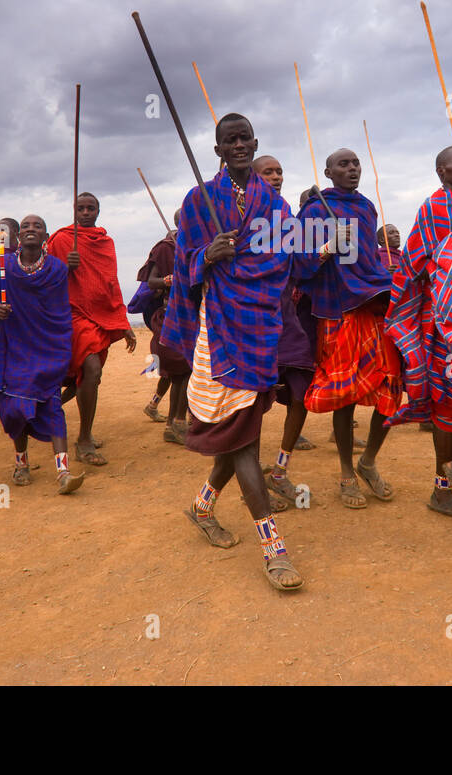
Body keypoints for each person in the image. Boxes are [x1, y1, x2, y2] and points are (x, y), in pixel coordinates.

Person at [162, 113, 302, 591]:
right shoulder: (199, 200)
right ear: (218, 149)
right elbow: (185, 261)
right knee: (244, 437)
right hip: (218, 327)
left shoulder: (276, 206)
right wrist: (208, 255)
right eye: (229, 140)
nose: (239, 145)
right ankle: (274, 549)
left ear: (255, 143)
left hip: (259, 327)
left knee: (242, 426)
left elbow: (282, 259)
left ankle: (202, 507)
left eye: (245, 139)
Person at [386, 147, 452, 517]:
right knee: (446, 400)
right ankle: (441, 489)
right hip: (442, 318)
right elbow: (418, 260)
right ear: (440, 170)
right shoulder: (433, 208)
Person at [295, 148, 402, 509]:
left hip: (371, 308)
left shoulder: (367, 207)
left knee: (390, 387)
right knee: (345, 394)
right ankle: (345, 472)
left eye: (356, 163)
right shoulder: (314, 211)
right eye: (343, 164)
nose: (352, 169)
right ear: (328, 173)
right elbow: (300, 265)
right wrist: (328, 246)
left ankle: (368, 461)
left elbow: (367, 259)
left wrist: (384, 280)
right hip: (338, 313)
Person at [0, 214, 84, 495]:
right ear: (18, 237)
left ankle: (63, 472)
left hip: (46, 347)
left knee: (52, 404)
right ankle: (21, 462)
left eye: (38, 226)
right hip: (12, 346)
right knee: (14, 408)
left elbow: (59, 312)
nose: (31, 229)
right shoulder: (3, 267)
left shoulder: (57, 269)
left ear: (46, 237)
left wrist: (73, 267)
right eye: (26, 227)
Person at [47, 193, 137, 465]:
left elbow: (111, 281)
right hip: (72, 314)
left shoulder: (105, 242)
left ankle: (82, 431)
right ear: (73, 210)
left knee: (91, 377)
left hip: (101, 316)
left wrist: (123, 321)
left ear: (98, 211)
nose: (86, 212)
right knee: (91, 368)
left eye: (91, 208)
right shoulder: (62, 239)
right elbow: (45, 278)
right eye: (80, 208)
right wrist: (64, 267)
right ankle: (84, 439)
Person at [251, 155, 320, 510]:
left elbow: (303, 264)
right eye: (268, 171)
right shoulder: (244, 215)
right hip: (254, 319)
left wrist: (324, 246)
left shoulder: (289, 219)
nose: (276, 176)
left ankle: (279, 468)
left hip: (287, 317)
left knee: (300, 392)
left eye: (279, 171)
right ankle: (249, 477)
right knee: (253, 403)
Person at [136, 214, 190, 445]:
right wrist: (172, 279)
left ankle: (174, 424)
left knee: (182, 373)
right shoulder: (166, 248)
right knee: (180, 371)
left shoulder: (200, 244)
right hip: (171, 317)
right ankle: (175, 422)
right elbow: (152, 282)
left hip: (194, 315)